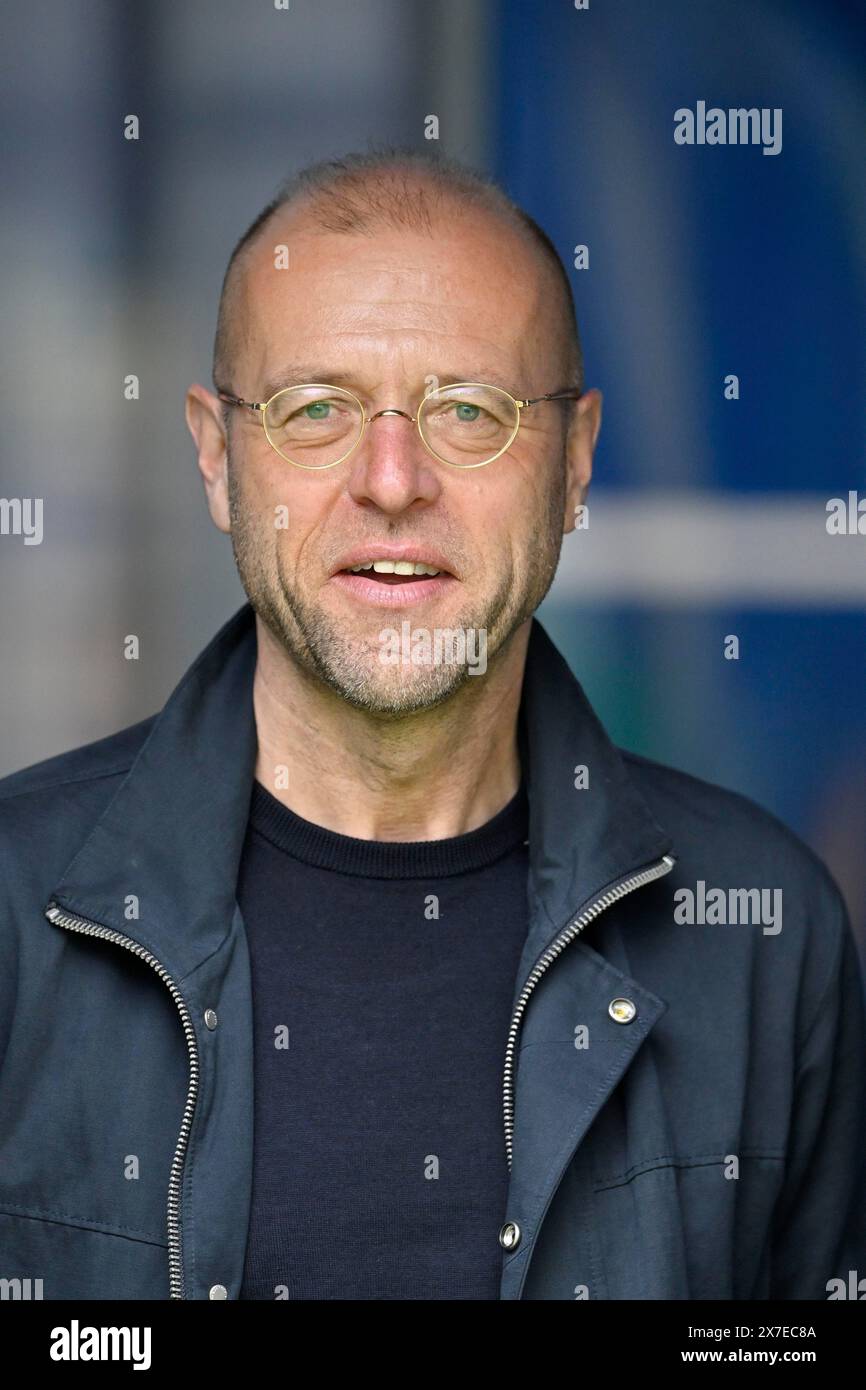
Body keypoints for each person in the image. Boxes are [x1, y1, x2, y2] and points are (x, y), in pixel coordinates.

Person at [1, 147, 863, 1301]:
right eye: (316, 410)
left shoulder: (762, 929)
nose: (393, 479)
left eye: (470, 409)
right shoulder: (15, 910)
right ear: (217, 459)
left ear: (574, 459)